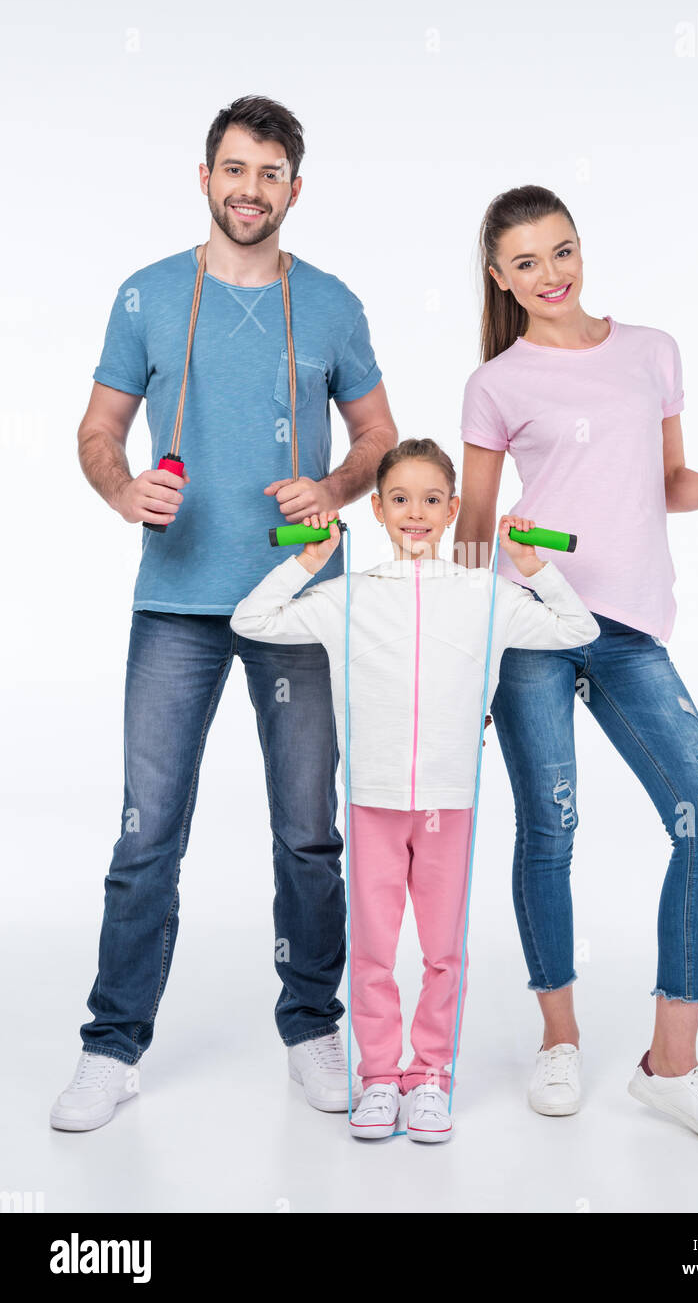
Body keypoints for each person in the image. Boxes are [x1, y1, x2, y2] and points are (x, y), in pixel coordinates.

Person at [50, 95, 398, 1133]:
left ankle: (312, 1025)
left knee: (307, 832)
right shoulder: (148, 294)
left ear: (296, 187)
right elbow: (99, 429)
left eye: (272, 171)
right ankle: (112, 1045)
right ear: (205, 178)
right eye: (235, 169)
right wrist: (122, 492)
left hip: (298, 604)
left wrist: (335, 492)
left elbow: (379, 436)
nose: (252, 188)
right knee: (147, 831)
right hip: (177, 605)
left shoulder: (331, 304)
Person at [454, 185, 698, 1147]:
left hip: (629, 630)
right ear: (499, 278)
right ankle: (557, 1039)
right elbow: (471, 534)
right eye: (525, 263)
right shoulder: (497, 384)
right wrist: (484, 602)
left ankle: (669, 1067)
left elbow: (665, 483)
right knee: (549, 831)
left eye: (562, 251)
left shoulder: (651, 352)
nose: (551, 275)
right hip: (531, 626)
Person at [230, 438, 599, 1142]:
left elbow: (575, 629)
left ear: (453, 508)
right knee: (371, 950)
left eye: (432, 500)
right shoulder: (347, 597)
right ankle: (377, 1078)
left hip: (446, 805)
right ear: (377, 510)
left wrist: (534, 566)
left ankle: (429, 1077)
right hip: (371, 801)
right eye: (400, 499)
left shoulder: (487, 595)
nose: (416, 513)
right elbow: (252, 621)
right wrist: (305, 563)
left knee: (441, 951)